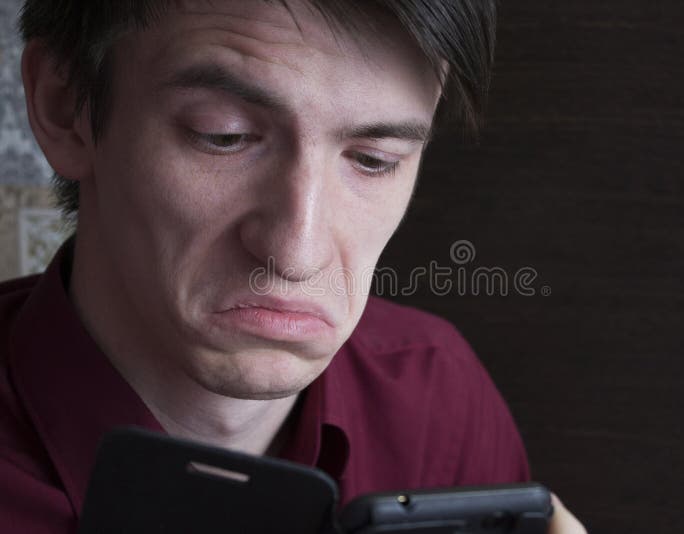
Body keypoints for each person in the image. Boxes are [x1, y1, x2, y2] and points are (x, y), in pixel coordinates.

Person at [0, 0, 585, 532]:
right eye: (224, 137)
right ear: (64, 105)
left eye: (375, 160)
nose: (297, 253)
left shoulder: (438, 399)